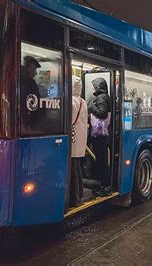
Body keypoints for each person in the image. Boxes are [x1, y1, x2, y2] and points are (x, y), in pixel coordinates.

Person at [88, 77, 111, 197]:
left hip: (99, 134)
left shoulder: (101, 97)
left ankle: (105, 186)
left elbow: (102, 113)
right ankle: (103, 185)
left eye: (94, 85)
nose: (93, 88)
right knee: (101, 160)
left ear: (98, 86)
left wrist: (92, 107)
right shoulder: (105, 96)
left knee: (101, 161)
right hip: (102, 134)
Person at [70, 76, 87, 207]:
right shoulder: (83, 101)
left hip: (73, 140)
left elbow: (69, 120)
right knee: (78, 167)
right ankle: (80, 195)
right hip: (81, 140)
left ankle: (75, 198)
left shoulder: (71, 102)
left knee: (73, 169)